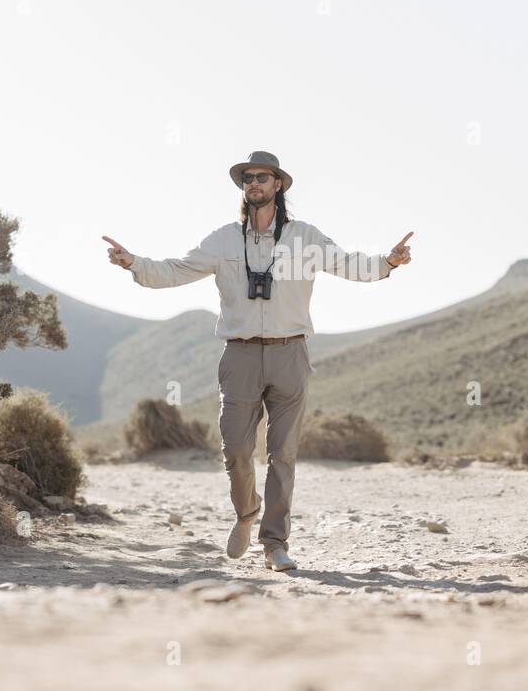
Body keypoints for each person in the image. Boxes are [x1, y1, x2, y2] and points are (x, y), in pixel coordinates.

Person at [103, 151, 412, 571]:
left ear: (278, 185)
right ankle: (246, 513)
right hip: (240, 355)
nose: (253, 183)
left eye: (261, 177)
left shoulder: (304, 237)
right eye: (247, 178)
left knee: (283, 455)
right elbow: (177, 270)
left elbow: (349, 264)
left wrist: (388, 262)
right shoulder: (224, 240)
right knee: (235, 450)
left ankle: (274, 543)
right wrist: (133, 263)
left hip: (290, 353)